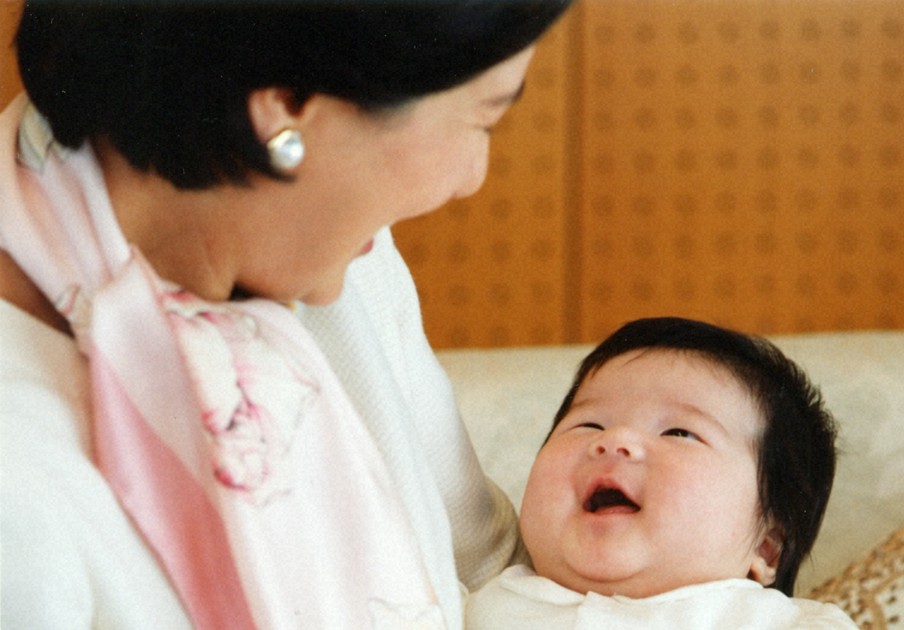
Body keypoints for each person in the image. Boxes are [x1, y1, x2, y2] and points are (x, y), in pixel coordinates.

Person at [0, 2, 572, 628]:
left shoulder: (320, 250)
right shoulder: (23, 475)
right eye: (482, 120)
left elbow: (487, 570)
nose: (472, 179)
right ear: (288, 105)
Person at [465, 317, 856, 629]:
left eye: (679, 433)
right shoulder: (475, 606)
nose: (615, 440)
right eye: (589, 425)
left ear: (766, 547)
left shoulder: (784, 624)